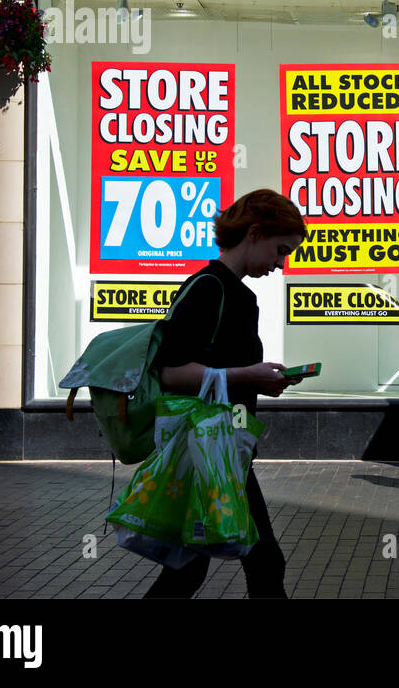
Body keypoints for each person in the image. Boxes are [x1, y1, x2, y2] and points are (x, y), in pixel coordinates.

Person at [145, 189, 307, 598]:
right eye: (280, 249)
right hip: (208, 450)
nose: (280, 262)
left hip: (221, 448)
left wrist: (258, 381)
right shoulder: (210, 288)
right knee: (263, 562)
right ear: (254, 232)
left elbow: (217, 372)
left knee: (190, 568)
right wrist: (247, 373)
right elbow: (169, 372)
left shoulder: (232, 292)